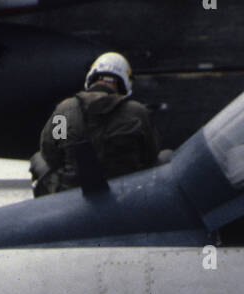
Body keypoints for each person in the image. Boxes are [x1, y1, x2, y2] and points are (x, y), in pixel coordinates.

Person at [30, 51, 159, 196]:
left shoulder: (63, 110)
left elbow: (50, 152)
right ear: (125, 83)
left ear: (91, 78)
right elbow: (150, 156)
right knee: (166, 158)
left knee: (38, 159)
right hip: (124, 196)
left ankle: (48, 210)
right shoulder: (138, 112)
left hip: (71, 194)